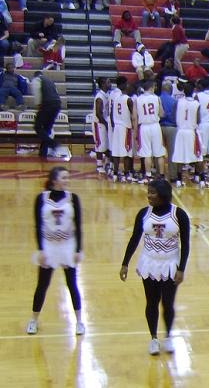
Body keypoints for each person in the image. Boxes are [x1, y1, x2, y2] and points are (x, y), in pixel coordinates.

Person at [120, 180, 191, 355]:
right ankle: (153, 338)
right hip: (149, 263)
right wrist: (125, 263)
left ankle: (167, 337)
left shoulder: (179, 215)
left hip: (170, 264)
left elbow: (186, 244)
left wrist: (181, 269)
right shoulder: (144, 213)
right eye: (148, 192)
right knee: (151, 302)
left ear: (163, 195)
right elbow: (134, 239)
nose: (149, 196)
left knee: (168, 303)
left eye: (153, 193)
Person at [27, 167, 84, 335]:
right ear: (54, 180)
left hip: (67, 245)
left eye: (68, 177)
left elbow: (79, 225)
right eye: (64, 177)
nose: (67, 180)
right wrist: (41, 249)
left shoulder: (73, 198)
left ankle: (79, 321)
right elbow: (37, 225)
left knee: (72, 284)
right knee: (42, 285)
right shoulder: (41, 199)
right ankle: (33, 320)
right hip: (49, 246)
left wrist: (78, 249)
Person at [135, 80, 166, 182]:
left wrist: (135, 131)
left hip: (144, 126)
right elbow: (161, 114)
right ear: (152, 87)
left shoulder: (138, 99)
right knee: (159, 152)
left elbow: (135, 117)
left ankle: (148, 176)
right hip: (155, 126)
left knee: (146, 153)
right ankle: (161, 175)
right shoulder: (157, 98)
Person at [32, 71, 62, 159]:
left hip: (47, 104)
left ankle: (53, 143)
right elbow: (56, 92)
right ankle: (43, 152)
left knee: (37, 127)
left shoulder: (37, 80)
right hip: (57, 104)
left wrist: (38, 106)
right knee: (47, 129)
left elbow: (37, 94)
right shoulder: (50, 80)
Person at [92, 77, 111, 173]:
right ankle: (99, 165)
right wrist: (106, 124)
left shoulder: (107, 95)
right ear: (103, 84)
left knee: (107, 144)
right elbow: (98, 114)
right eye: (108, 82)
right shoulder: (99, 97)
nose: (110, 84)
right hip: (99, 123)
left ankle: (107, 163)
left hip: (104, 122)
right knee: (100, 145)